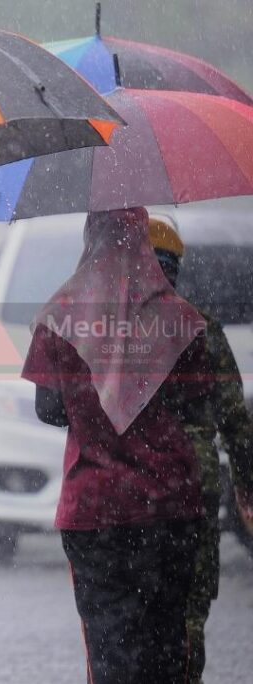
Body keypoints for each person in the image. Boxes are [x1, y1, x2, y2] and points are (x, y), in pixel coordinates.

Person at [22, 208, 211, 684]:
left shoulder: (59, 315)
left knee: (110, 645)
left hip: (96, 506)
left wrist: (96, 402)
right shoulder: (180, 317)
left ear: (91, 240)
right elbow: (196, 404)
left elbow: (49, 409)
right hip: (169, 504)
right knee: (167, 641)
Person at [147, 216, 253, 684]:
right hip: (195, 483)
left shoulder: (108, 327)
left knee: (136, 612)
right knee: (189, 611)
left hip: (130, 490)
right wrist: (246, 483)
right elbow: (235, 421)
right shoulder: (202, 326)